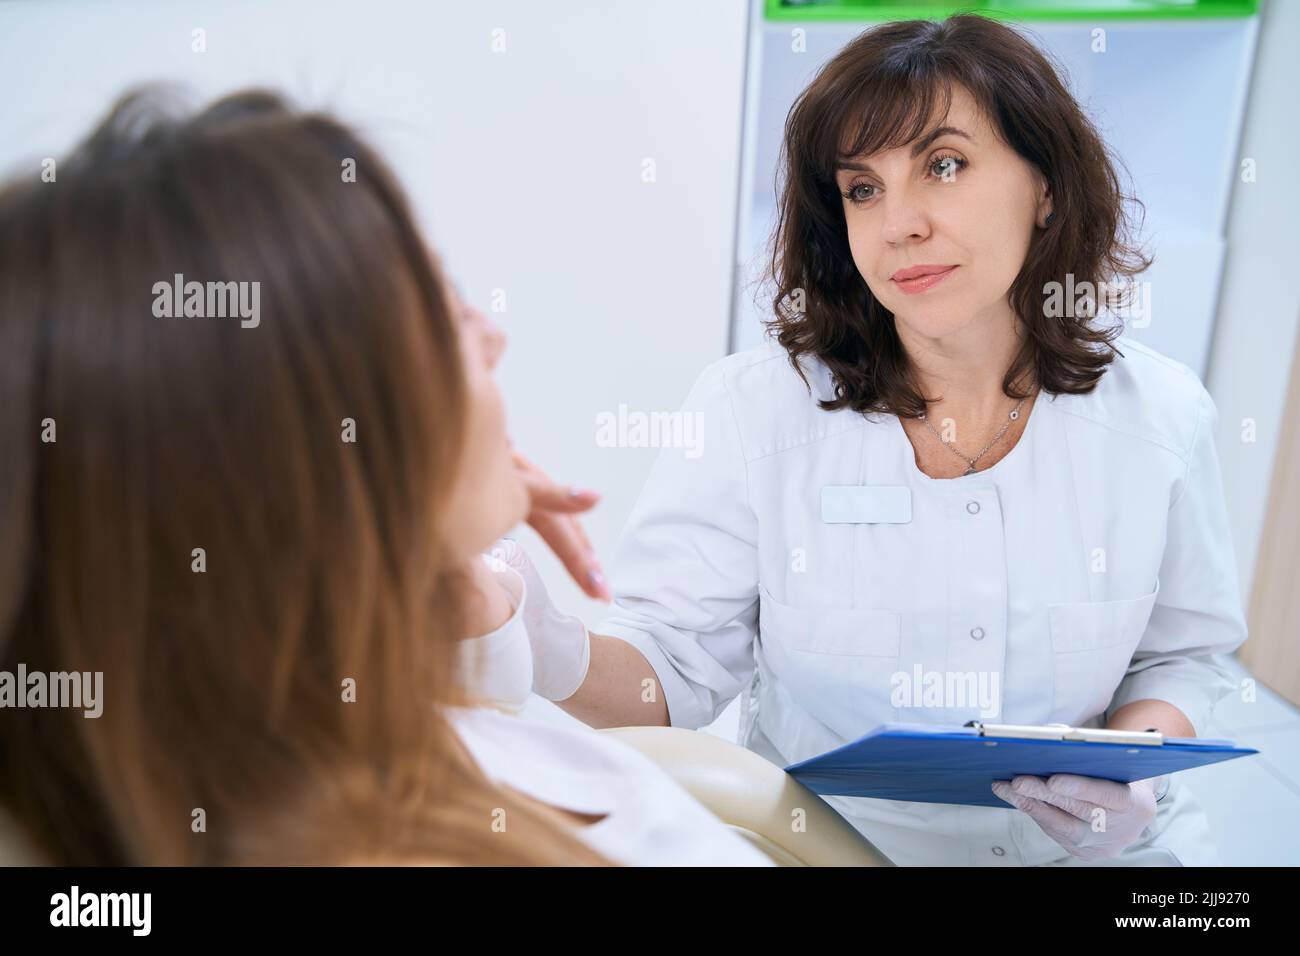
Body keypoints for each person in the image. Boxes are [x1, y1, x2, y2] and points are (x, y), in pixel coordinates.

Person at [510, 15, 1249, 866]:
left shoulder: (1157, 416)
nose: (899, 224)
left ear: (1046, 186)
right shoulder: (757, 414)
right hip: (828, 846)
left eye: (943, 166)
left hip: (1101, 853)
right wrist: (544, 644)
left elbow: (1184, 656)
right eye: (863, 189)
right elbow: (670, 671)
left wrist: (1134, 769)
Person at [0, 87, 770, 867]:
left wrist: (444, 566)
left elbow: (479, 690)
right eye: (444, 311)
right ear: (313, 451)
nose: (493, 336)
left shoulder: (289, 727)